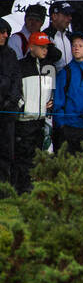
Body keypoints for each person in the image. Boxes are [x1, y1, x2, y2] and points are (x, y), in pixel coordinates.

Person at [13, 31, 58, 192]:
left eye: (46, 47)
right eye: (41, 47)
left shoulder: (49, 67)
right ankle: (22, 188)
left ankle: (32, 187)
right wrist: (22, 107)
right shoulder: (20, 65)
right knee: (23, 155)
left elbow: (51, 91)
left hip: (41, 119)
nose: (45, 50)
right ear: (31, 47)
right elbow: (16, 91)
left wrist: (51, 102)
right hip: (25, 120)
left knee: (38, 154)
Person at [0, 20, 20, 184]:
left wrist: (10, 101)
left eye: (7, 32)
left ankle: (5, 187)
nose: (6, 35)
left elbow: (16, 81)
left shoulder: (11, 54)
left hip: (7, 112)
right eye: (2, 32)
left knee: (7, 151)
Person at [44, 2, 75, 71]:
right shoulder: (44, 36)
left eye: (70, 15)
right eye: (66, 15)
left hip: (72, 79)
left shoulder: (71, 36)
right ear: (54, 16)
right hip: (53, 79)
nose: (70, 18)